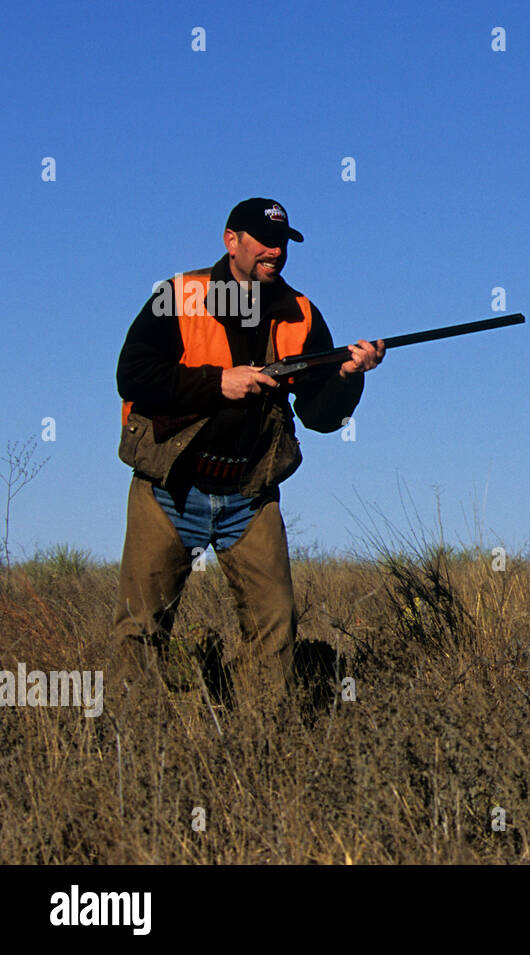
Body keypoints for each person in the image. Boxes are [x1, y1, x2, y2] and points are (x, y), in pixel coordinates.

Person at [112, 198, 384, 708]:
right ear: (230, 241)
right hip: (172, 488)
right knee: (141, 630)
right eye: (262, 239)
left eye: (282, 242)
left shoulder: (301, 313)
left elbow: (321, 417)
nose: (274, 251)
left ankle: (260, 751)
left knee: (275, 628)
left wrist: (349, 378)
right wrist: (219, 382)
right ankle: (133, 752)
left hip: (250, 494)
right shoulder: (177, 296)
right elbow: (133, 375)